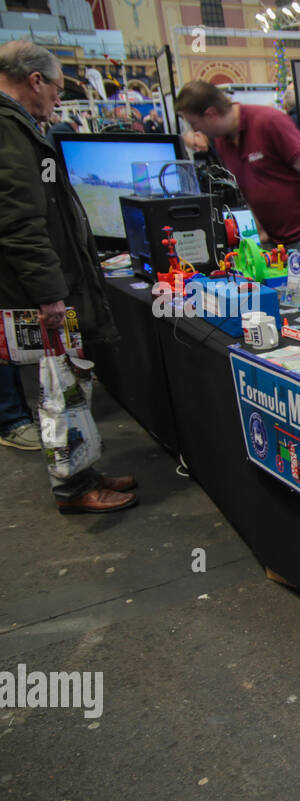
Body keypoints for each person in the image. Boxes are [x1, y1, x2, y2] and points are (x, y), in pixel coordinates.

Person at [0, 40, 136, 513]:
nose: (59, 98)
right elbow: (20, 225)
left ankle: (83, 468)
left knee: (70, 384)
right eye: (57, 88)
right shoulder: (8, 130)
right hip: (38, 297)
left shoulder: (19, 127)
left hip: (46, 290)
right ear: (35, 80)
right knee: (54, 389)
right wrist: (50, 295)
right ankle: (73, 487)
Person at [175, 81, 300, 281]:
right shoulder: (222, 141)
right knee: (295, 307)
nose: (196, 131)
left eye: (195, 124)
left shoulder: (268, 122)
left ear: (211, 113)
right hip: (276, 244)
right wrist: (261, 231)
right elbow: (249, 186)